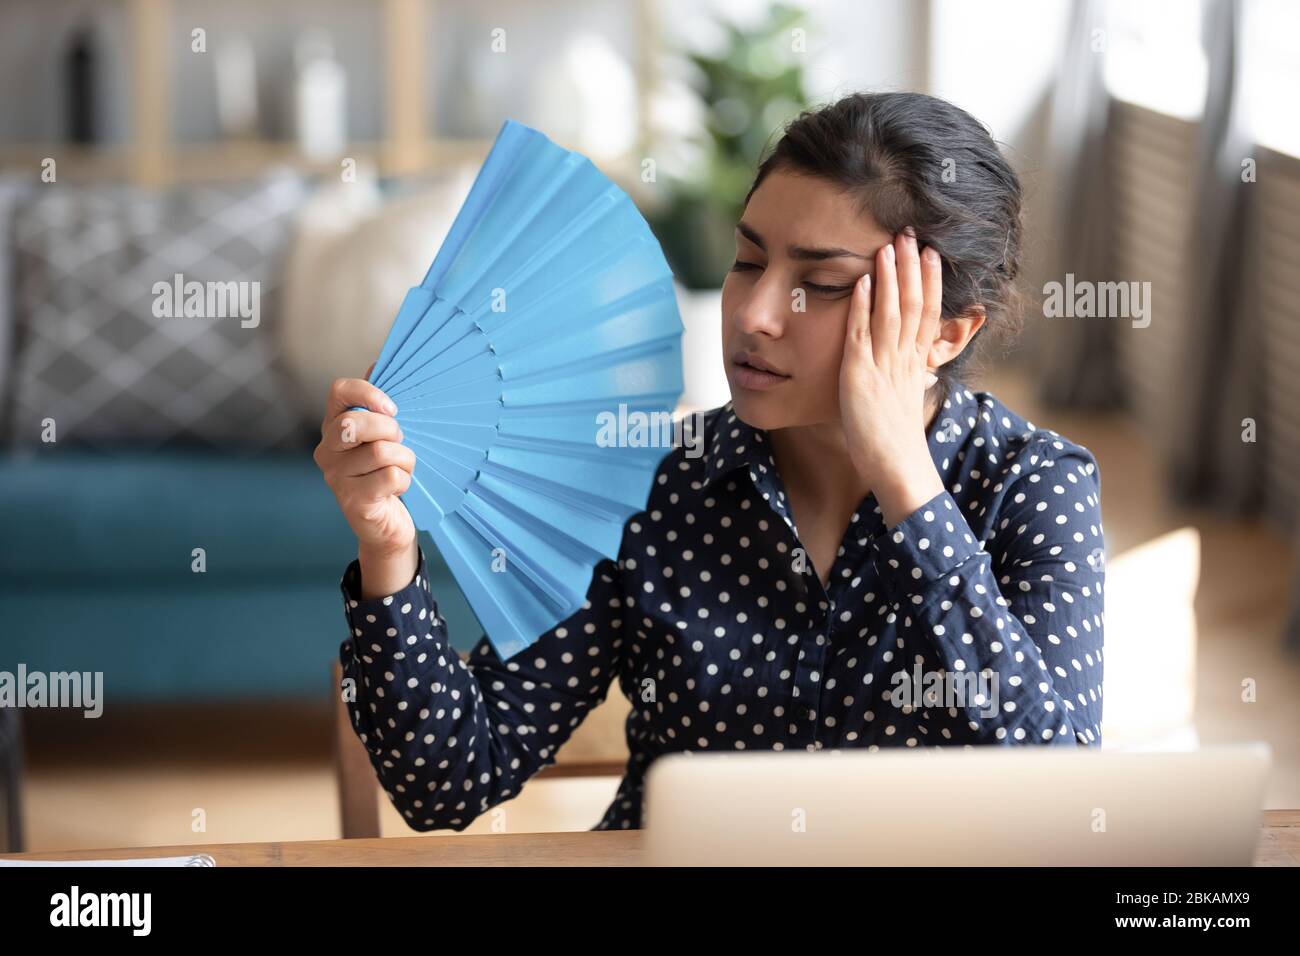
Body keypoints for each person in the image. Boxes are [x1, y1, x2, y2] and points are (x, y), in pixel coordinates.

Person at [313, 91, 1106, 832]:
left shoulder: (1031, 488)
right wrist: (389, 548)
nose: (755, 314)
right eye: (749, 260)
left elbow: (1062, 802)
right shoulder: (657, 479)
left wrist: (906, 483)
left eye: (821, 284)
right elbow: (449, 782)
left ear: (944, 334)